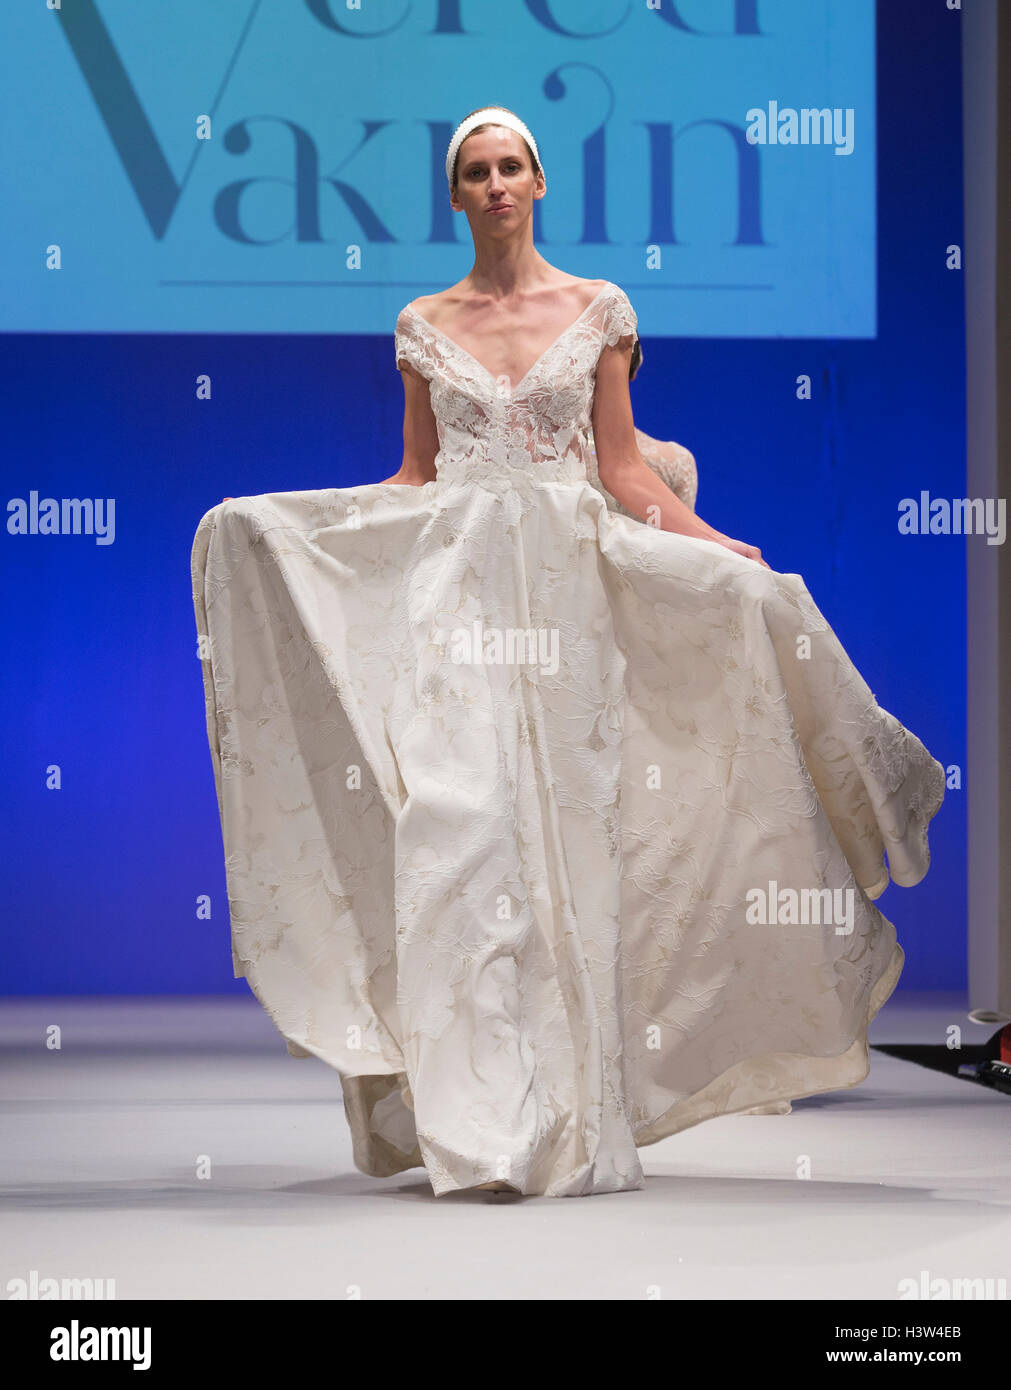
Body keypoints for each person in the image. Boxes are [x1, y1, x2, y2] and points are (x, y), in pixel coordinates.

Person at [191, 105, 945, 1199]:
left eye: (512, 167)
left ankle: (571, 1121)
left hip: (570, 600)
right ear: (456, 197)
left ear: (539, 182)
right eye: (476, 172)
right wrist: (287, 523)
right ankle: (477, 1127)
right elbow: (415, 477)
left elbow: (625, 471)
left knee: (568, 850)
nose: (497, 184)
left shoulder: (597, 310)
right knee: (459, 841)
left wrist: (723, 550)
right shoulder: (420, 320)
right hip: (457, 601)